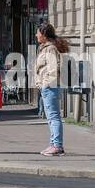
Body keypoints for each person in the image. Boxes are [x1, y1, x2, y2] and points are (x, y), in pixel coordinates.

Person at [35, 22, 70, 156]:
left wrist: (46, 84)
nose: (36, 35)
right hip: (47, 87)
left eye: (38, 32)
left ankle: (57, 146)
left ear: (44, 34)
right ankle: (54, 144)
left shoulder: (50, 49)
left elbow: (53, 69)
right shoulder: (44, 48)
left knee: (53, 116)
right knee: (50, 117)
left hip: (50, 87)